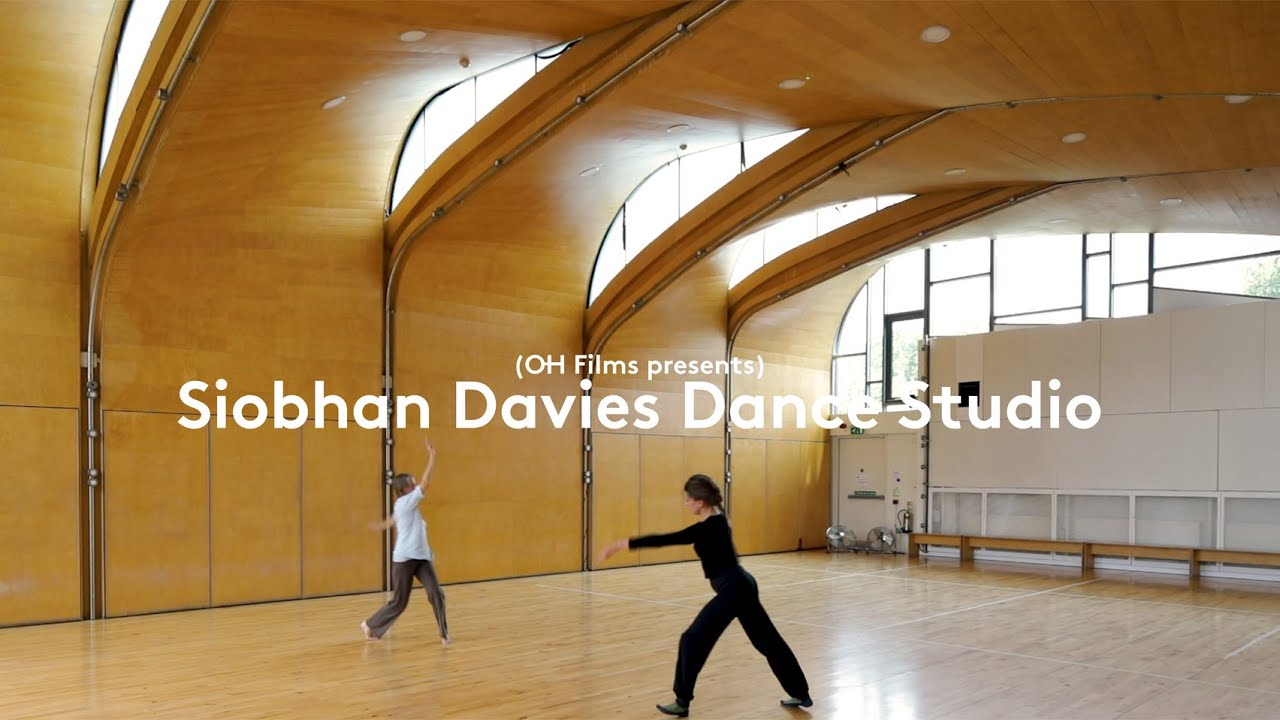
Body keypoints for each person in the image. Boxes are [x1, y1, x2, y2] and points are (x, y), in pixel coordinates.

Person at [598, 473, 812, 717]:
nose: (686, 503)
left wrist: (620, 545)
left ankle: (682, 701)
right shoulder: (718, 518)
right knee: (768, 642)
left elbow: (668, 539)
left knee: (692, 639)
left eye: (688, 499)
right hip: (741, 585)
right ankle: (800, 693)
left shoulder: (710, 527)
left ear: (700, 502)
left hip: (734, 589)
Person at [361, 435, 450, 646]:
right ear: (405, 488)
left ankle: (444, 634)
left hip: (422, 558)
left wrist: (381, 525)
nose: (416, 483)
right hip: (404, 560)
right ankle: (370, 625)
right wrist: (432, 456)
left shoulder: (406, 506)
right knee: (400, 602)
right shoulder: (405, 502)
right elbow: (426, 483)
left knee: (436, 593)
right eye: (412, 482)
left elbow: (394, 520)